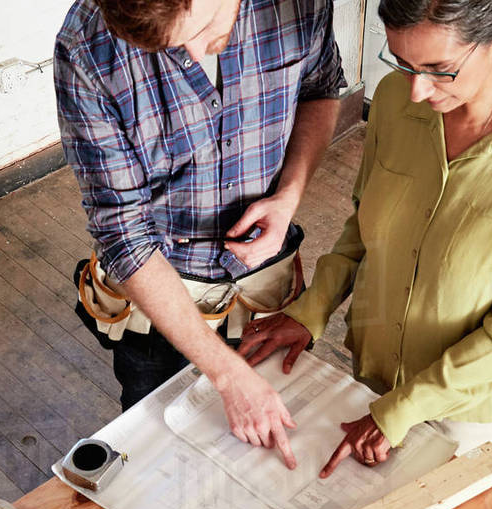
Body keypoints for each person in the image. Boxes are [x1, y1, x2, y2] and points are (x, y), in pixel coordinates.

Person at [238, 0, 492, 476]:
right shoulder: (394, 99)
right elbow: (363, 230)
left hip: (456, 412)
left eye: (439, 70)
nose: (415, 91)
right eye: (402, 62)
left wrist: (402, 411)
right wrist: (310, 312)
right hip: (367, 372)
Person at [53, 0, 346, 469]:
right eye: (167, 48)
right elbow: (123, 233)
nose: (190, 53)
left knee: (276, 467)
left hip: (267, 291)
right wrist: (228, 378)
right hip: (159, 309)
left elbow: (319, 89)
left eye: (202, 27)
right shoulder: (88, 45)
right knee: (158, 464)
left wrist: (289, 194)